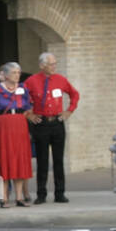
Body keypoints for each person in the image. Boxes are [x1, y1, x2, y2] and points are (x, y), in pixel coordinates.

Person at [22, 52, 79, 203]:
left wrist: (69, 111)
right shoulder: (32, 81)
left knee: (58, 159)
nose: (54, 67)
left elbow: (75, 94)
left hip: (57, 122)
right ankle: (41, 194)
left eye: (55, 63)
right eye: (51, 64)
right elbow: (21, 97)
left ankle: (60, 193)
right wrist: (29, 114)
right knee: (42, 160)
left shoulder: (60, 80)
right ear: (42, 66)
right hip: (41, 123)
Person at [0, 61, 33, 208]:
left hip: (19, 125)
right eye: (14, 72)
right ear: (5, 75)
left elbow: (27, 107)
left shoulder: (23, 88)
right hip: (3, 126)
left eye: (18, 73)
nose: (17, 75)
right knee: (4, 159)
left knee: (19, 160)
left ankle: (19, 197)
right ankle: (3, 197)